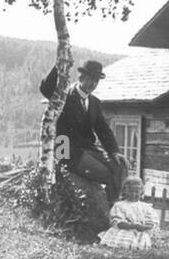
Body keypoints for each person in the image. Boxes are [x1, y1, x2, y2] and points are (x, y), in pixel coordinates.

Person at [39, 58, 127, 205]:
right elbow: (45, 88)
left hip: (88, 150)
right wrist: (59, 65)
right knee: (106, 174)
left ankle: (116, 210)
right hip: (67, 151)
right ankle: (110, 210)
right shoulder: (64, 96)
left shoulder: (94, 103)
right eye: (90, 79)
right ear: (81, 77)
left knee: (120, 167)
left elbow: (103, 130)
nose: (93, 84)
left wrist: (114, 152)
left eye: (96, 81)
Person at [98, 176, 158, 251]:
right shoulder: (119, 205)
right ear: (124, 191)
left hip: (140, 232)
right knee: (124, 240)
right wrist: (134, 226)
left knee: (142, 239)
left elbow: (152, 222)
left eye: (136, 192)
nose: (133, 194)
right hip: (124, 230)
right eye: (130, 191)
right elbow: (117, 222)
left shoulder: (145, 207)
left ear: (141, 192)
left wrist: (146, 226)